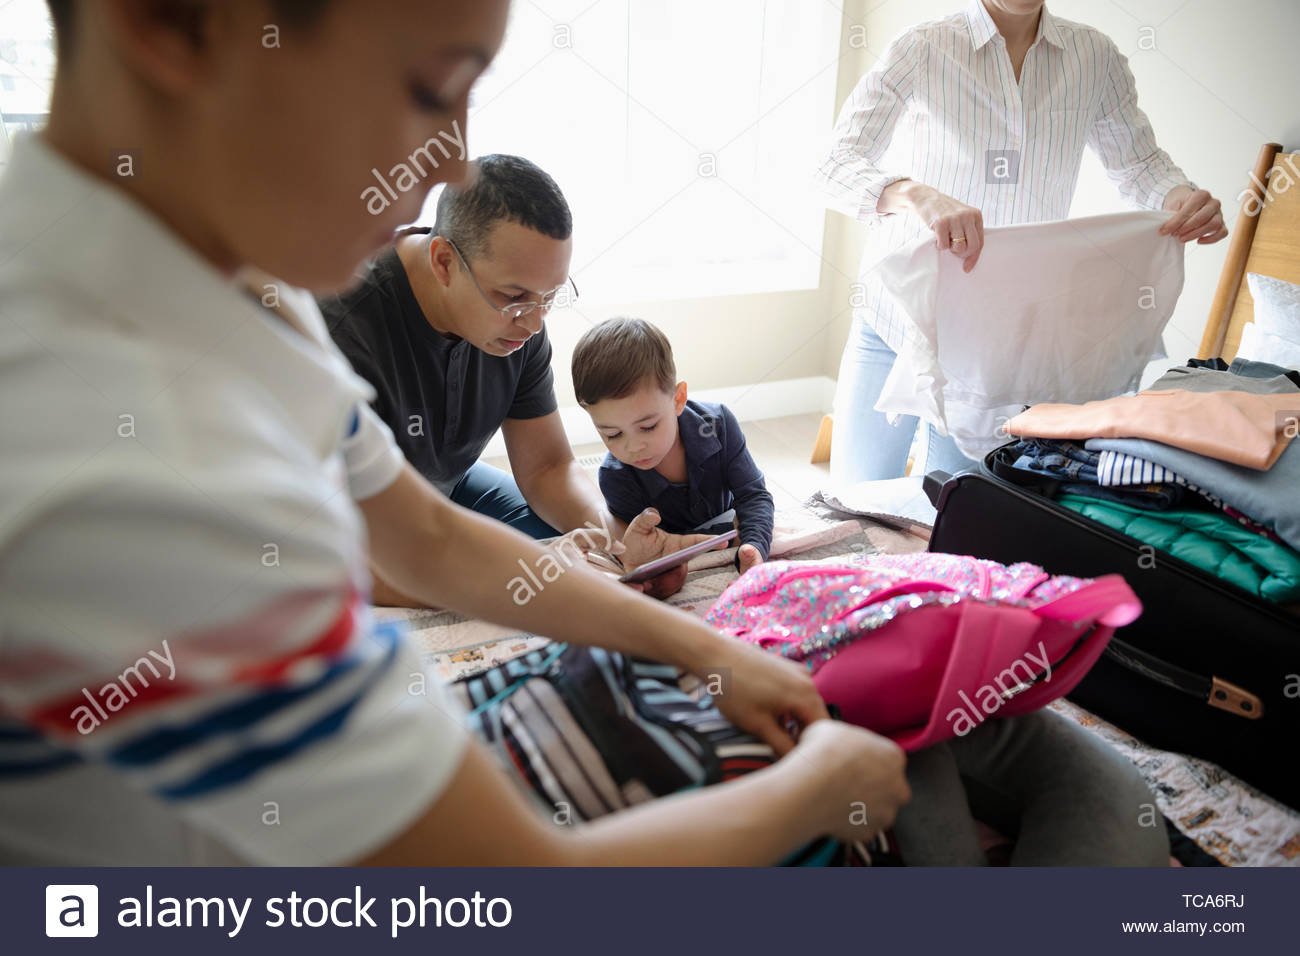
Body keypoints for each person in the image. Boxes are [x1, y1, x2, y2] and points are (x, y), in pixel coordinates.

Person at [0, 0, 911, 866]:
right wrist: (821, 790)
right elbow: (510, 888)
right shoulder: (113, 453)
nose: (448, 167)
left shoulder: (246, 285)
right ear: (171, 22)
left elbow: (427, 530)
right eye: (432, 88)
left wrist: (699, 644)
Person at [817, 0, 1228, 483]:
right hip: (894, 321)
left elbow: (1139, 165)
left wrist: (1182, 197)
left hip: (997, 342)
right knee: (855, 502)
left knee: (952, 514)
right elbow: (835, 165)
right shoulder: (921, 47)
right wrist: (916, 194)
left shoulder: (1095, 57)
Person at [321, 157, 702, 604]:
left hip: (454, 484)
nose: (534, 324)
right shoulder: (342, 329)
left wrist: (621, 544)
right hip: (357, 513)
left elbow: (547, 469)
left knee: (570, 550)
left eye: (549, 297)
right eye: (514, 297)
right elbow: (332, 543)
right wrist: (501, 588)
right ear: (444, 262)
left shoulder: (522, 327)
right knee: (521, 578)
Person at [572, 318, 774, 574]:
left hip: (731, 536)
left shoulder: (717, 425)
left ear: (678, 399)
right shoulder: (616, 477)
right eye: (612, 434)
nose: (632, 447)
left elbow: (754, 495)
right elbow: (643, 550)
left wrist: (753, 546)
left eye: (648, 427)